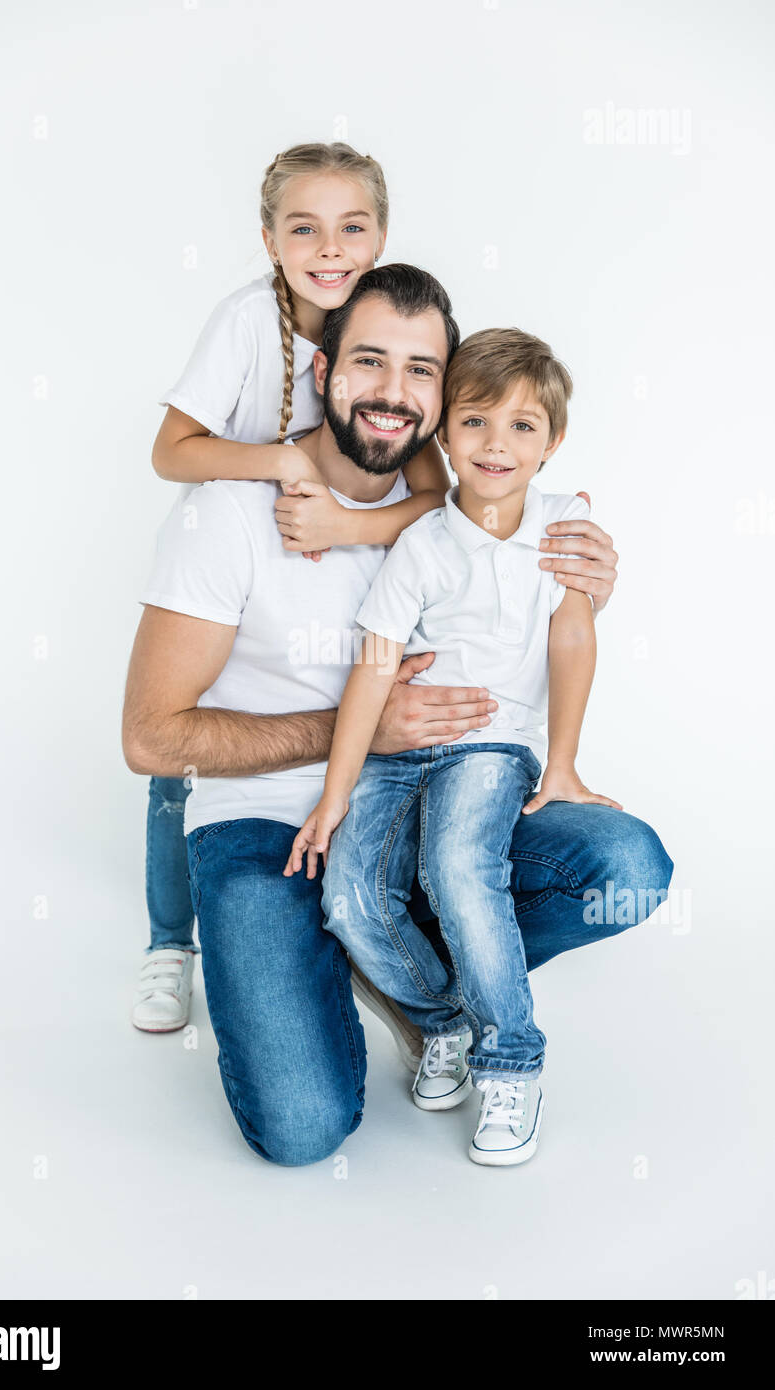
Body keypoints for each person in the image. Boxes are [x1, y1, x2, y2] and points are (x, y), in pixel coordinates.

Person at [122, 264, 672, 1167]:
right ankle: (349, 948)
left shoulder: (456, 518)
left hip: (440, 798)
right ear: (325, 369)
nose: (392, 392)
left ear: (446, 396)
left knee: (628, 865)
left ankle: (416, 985)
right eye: (369, 362)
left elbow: (519, 610)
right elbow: (150, 737)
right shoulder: (226, 515)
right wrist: (355, 728)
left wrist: (580, 594)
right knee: (301, 1130)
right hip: (271, 826)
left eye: (421, 370)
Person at [285, 326, 644, 1166]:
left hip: (490, 745)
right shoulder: (421, 545)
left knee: (455, 868)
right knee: (350, 899)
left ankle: (510, 1056)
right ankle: (441, 1017)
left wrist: (561, 764)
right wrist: (335, 794)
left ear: (553, 444)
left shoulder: (565, 526)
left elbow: (572, 640)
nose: (497, 444)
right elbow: (374, 672)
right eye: (476, 422)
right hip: (393, 755)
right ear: (443, 433)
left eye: (523, 427)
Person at [133, 143, 449, 1033]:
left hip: (318, 555)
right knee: (175, 766)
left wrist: (348, 527)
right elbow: (170, 451)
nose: (330, 248)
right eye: (303, 228)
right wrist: (272, 464)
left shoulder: (387, 323)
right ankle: (168, 942)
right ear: (268, 238)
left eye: (353, 227)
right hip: (226, 556)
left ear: (381, 233)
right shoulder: (248, 323)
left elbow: (431, 497)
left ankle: (376, 955)